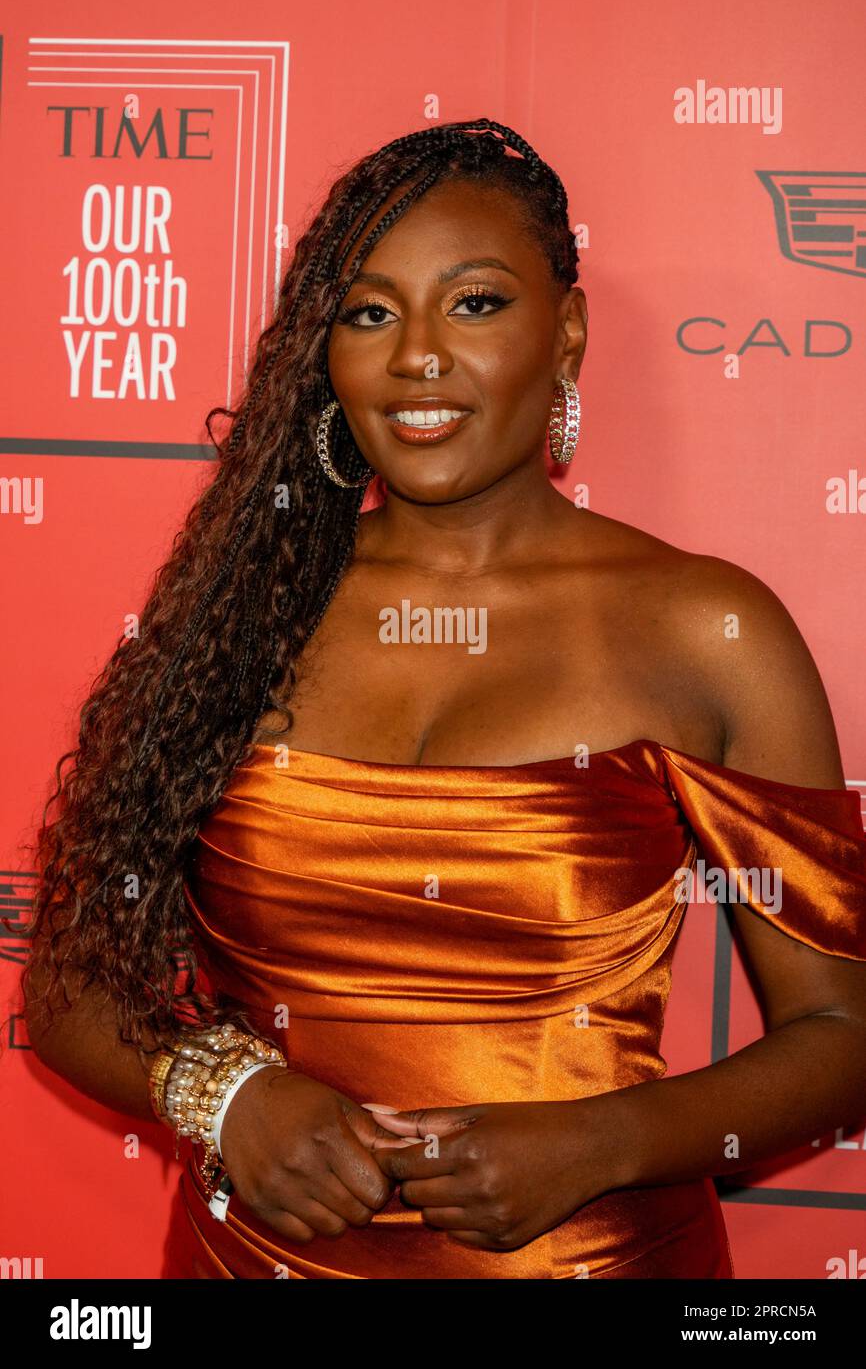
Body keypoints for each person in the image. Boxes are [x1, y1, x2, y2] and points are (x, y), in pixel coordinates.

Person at [21, 118, 866, 1280]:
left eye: (473, 304)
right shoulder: (240, 610)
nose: (417, 355)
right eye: (370, 314)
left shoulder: (708, 630)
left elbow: (841, 1033)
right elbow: (69, 983)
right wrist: (223, 1090)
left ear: (564, 331)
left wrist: (604, 1140)